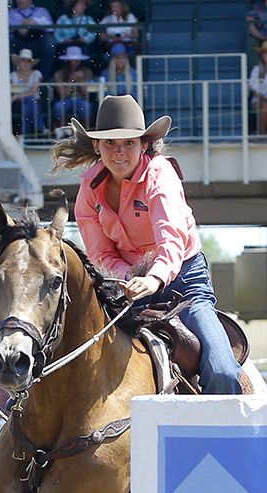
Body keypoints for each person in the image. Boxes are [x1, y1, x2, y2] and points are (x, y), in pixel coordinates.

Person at [54, 95, 242, 394]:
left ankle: (226, 436)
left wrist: (153, 278)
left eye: (128, 143)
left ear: (143, 145)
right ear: (97, 147)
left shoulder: (160, 174)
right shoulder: (89, 188)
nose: (119, 152)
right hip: (127, 286)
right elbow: (100, 253)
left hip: (184, 282)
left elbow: (172, 237)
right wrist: (129, 276)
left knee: (222, 370)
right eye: (111, 144)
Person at [9, 0, 57, 81]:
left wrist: (35, 23)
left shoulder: (42, 11)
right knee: (5, 42)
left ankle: (43, 78)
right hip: (18, 42)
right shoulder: (11, 13)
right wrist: (17, 27)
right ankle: (11, 78)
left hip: (37, 43)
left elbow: (51, 28)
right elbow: (5, 27)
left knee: (50, 42)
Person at [52, 46, 94, 129]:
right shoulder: (59, 73)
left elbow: (86, 94)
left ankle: (86, 131)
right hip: (66, 100)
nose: (74, 62)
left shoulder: (87, 72)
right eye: (72, 60)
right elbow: (62, 95)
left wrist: (81, 80)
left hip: (81, 99)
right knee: (58, 107)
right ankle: (62, 132)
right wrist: (71, 80)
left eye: (77, 60)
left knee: (87, 107)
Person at [10, 48, 46, 136]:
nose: (25, 63)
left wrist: (17, 96)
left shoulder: (36, 73)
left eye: (28, 61)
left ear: (31, 63)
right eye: (23, 60)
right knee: (28, 103)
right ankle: (41, 129)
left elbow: (33, 91)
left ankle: (24, 136)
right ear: (18, 62)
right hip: (18, 105)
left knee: (27, 107)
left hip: (34, 102)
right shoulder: (13, 75)